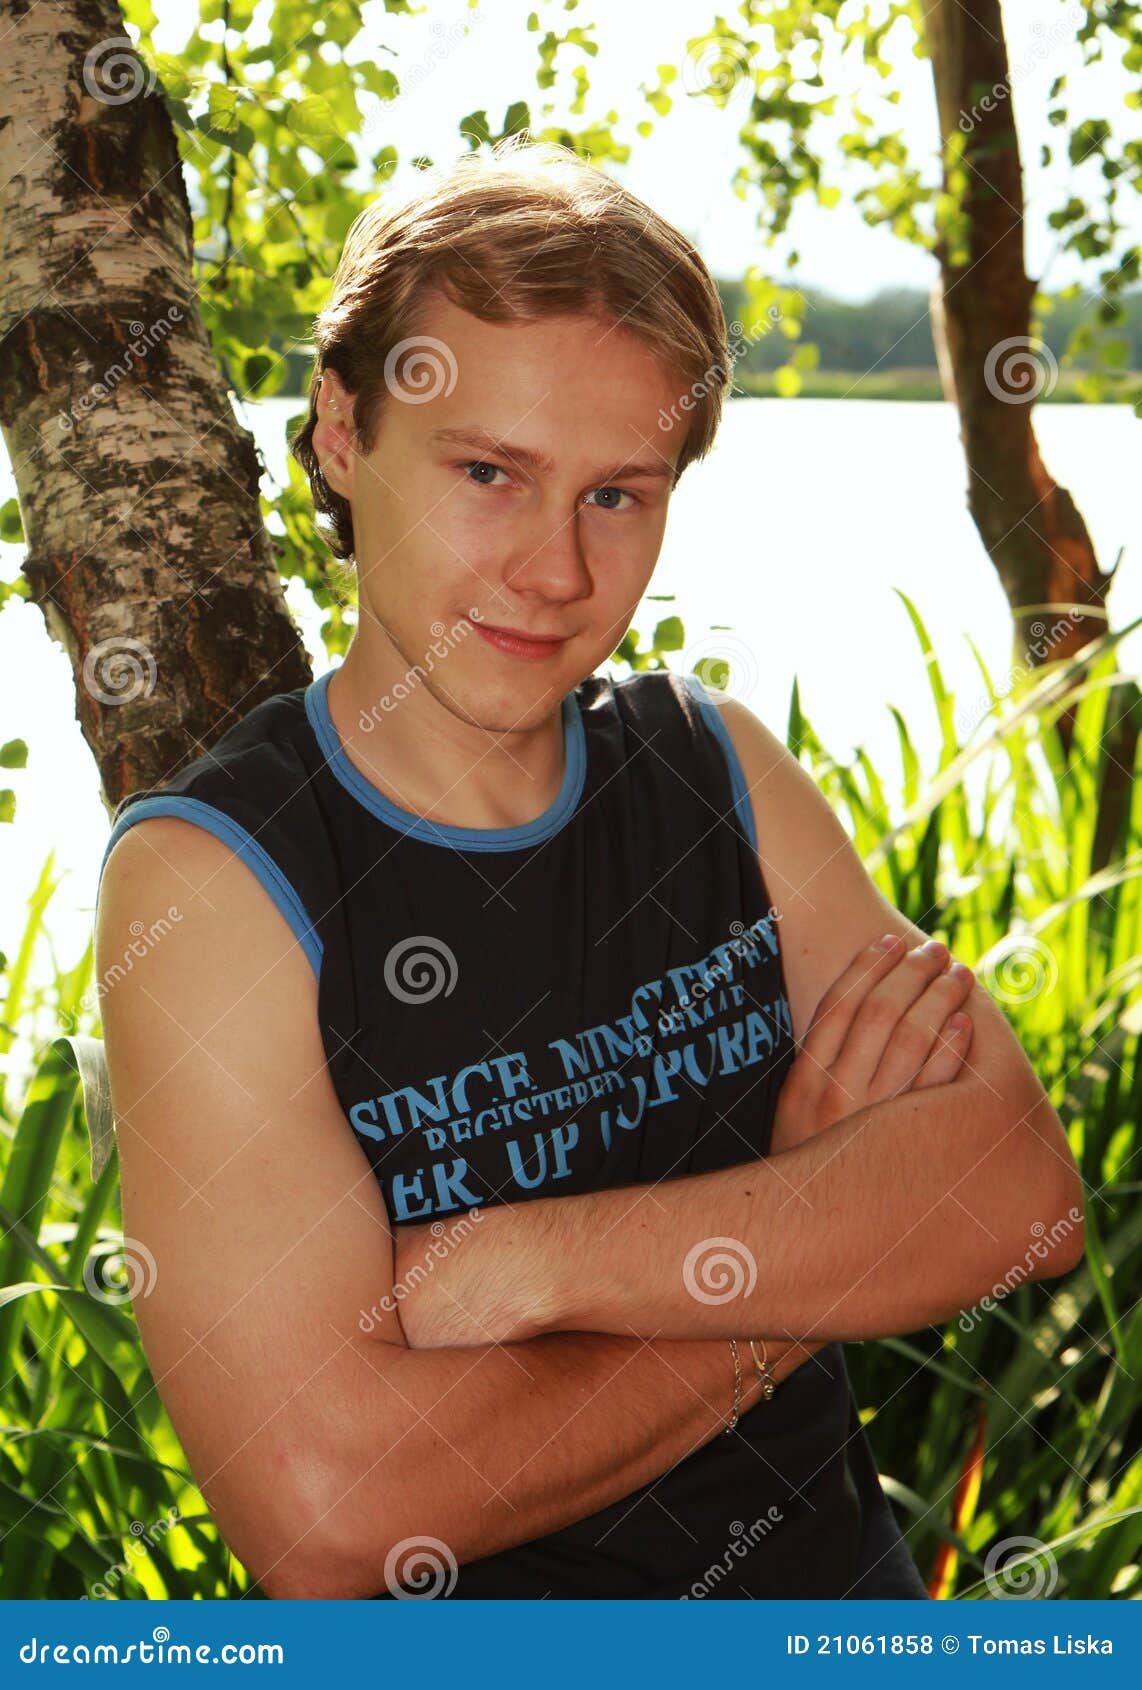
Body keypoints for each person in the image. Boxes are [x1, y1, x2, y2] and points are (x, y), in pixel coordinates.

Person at [95, 136, 1084, 1601]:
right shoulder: (217, 883)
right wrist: (805, 1242)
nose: (556, 571)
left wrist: (525, 1260)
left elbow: (1015, 1195)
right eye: (488, 471)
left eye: (617, 494)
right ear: (339, 432)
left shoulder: (713, 768)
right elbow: (332, 1507)